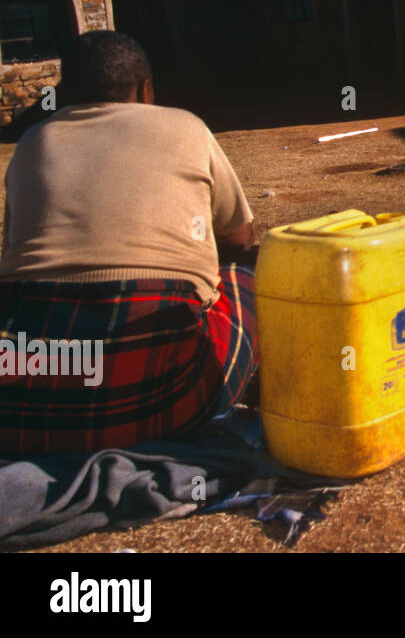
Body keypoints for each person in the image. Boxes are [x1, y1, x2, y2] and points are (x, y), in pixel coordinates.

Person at [0, 30, 258, 455]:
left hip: (23, 404)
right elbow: (239, 239)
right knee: (243, 276)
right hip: (158, 396)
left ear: (67, 93)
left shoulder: (33, 141)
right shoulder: (186, 126)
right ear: (146, 89)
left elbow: (16, 254)